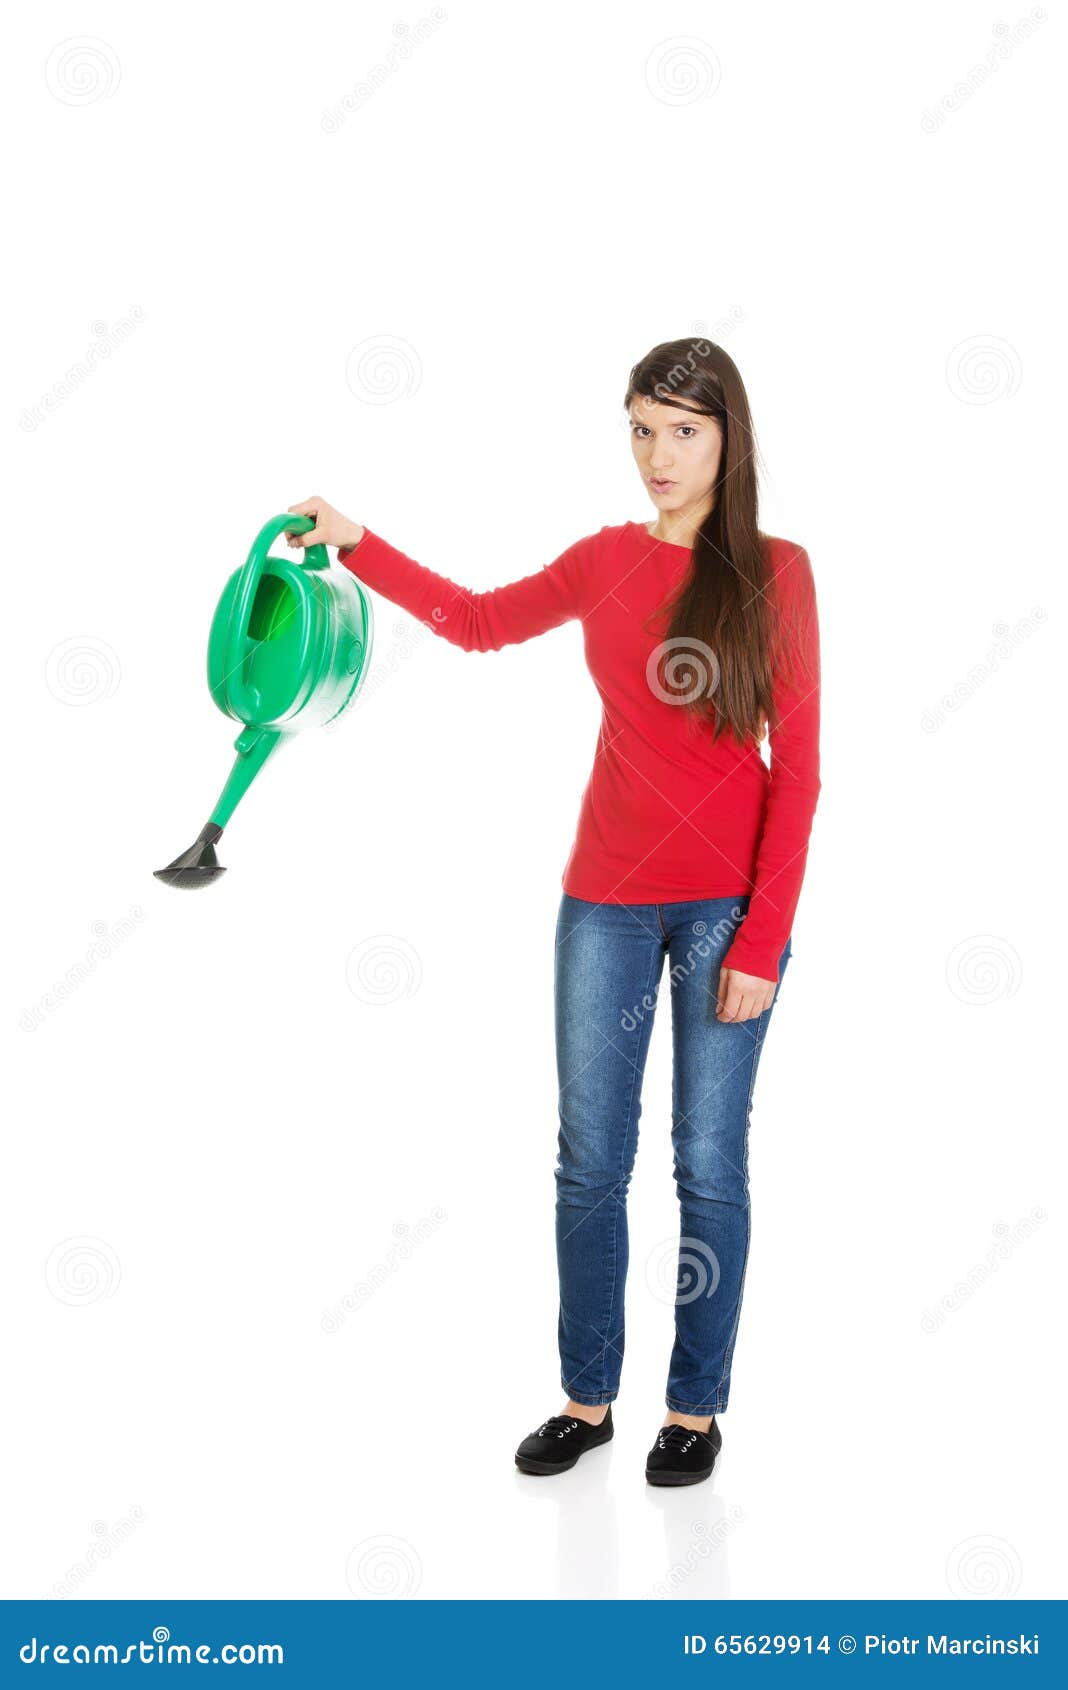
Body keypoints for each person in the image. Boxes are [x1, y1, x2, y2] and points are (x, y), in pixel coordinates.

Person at [287, 336, 821, 1487]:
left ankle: (694, 1410)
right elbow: (479, 620)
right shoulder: (604, 560)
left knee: (708, 1161)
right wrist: (358, 543)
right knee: (589, 1163)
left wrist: (764, 939)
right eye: (641, 428)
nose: (657, 453)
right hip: (605, 903)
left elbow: (802, 770)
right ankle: (588, 1399)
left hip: (728, 912)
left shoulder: (778, 571)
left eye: (683, 429)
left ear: (728, 438)